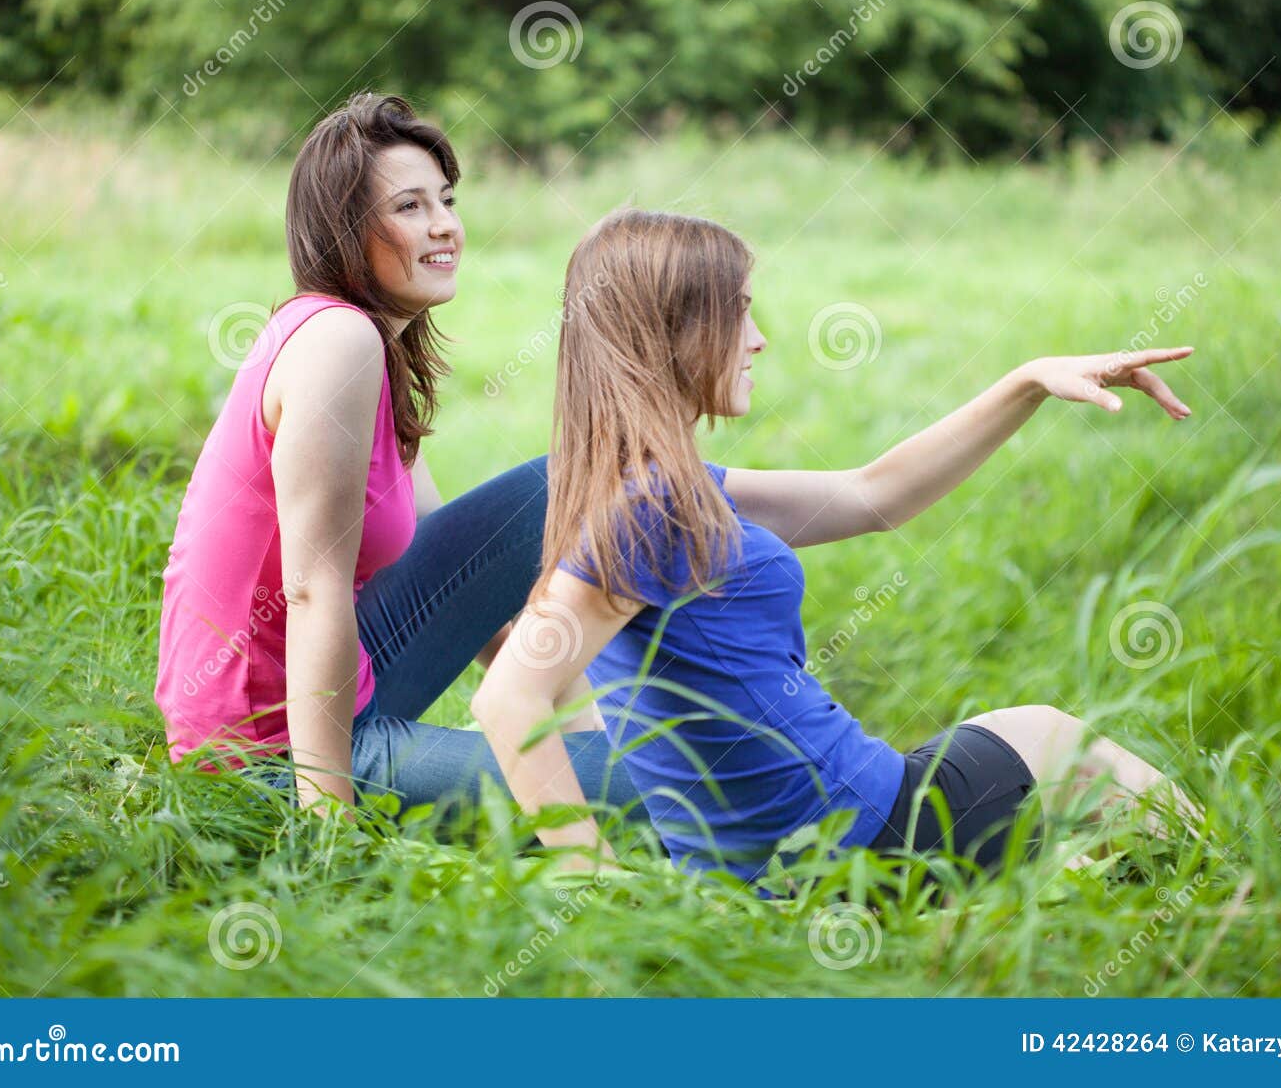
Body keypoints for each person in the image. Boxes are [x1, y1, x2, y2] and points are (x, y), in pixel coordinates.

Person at [470, 208, 1203, 881]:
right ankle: (1230, 893)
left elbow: (874, 495)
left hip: (828, 835)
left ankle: (1157, 898)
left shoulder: (664, 492)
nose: (758, 338)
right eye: (739, 312)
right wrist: (594, 877)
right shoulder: (650, 507)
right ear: (674, 329)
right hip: (862, 837)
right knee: (1051, 738)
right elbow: (510, 697)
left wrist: (1028, 382)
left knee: (1033, 765)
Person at [153, 92, 637, 820]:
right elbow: (311, 591)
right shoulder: (336, 343)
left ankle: (591, 747)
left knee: (558, 485)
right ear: (346, 233)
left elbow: (463, 576)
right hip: (265, 752)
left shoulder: (369, 348)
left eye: (446, 199)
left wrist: (532, 705)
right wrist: (327, 822)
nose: (445, 225)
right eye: (410, 207)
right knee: (679, 784)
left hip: (335, 683)